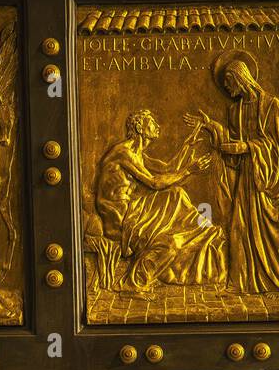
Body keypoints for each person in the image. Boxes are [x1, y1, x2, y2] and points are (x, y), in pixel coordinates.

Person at [185, 51, 279, 298]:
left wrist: (249, 147)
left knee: (261, 231)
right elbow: (230, 147)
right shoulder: (235, 111)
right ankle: (242, 282)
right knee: (239, 228)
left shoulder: (272, 106)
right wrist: (212, 127)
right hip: (246, 180)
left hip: (267, 181)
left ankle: (274, 282)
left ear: (240, 78)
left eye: (229, 81)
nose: (226, 87)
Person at [94, 108, 226, 292]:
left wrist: (188, 145)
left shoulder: (138, 154)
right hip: (120, 215)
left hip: (134, 208)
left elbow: (167, 168)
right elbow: (155, 182)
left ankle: (199, 230)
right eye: (152, 123)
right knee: (176, 194)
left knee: (176, 194)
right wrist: (189, 170)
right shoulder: (123, 152)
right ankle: (198, 230)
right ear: (140, 127)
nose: (157, 126)